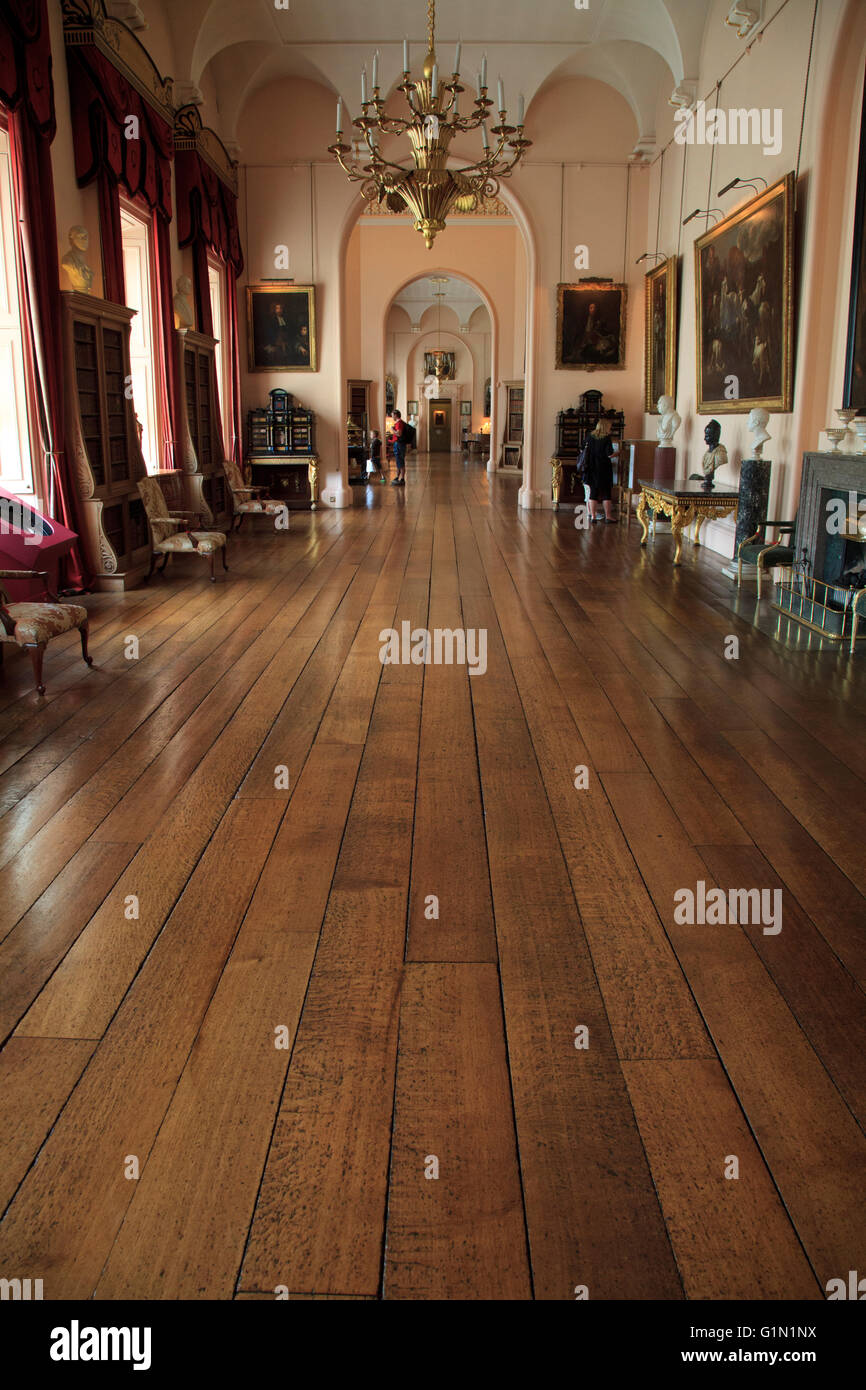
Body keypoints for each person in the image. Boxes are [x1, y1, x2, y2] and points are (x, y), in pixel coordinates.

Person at [583, 418, 616, 522]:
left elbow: (581, 449)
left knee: (593, 492)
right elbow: (609, 454)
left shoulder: (589, 436)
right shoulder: (606, 438)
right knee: (606, 493)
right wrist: (619, 453)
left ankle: (593, 516)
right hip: (603, 468)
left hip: (591, 468)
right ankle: (608, 516)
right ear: (606, 427)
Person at [389, 410, 406, 486]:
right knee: (399, 461)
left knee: (400, 461)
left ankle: (402, 479)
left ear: (396, 415)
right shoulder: (399, 423)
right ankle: (397, 477)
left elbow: (399, 434)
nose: (392, 417)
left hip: (399, 444)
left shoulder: (399, 423)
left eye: (392, 415)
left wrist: (392, 430)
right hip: (399, 444)